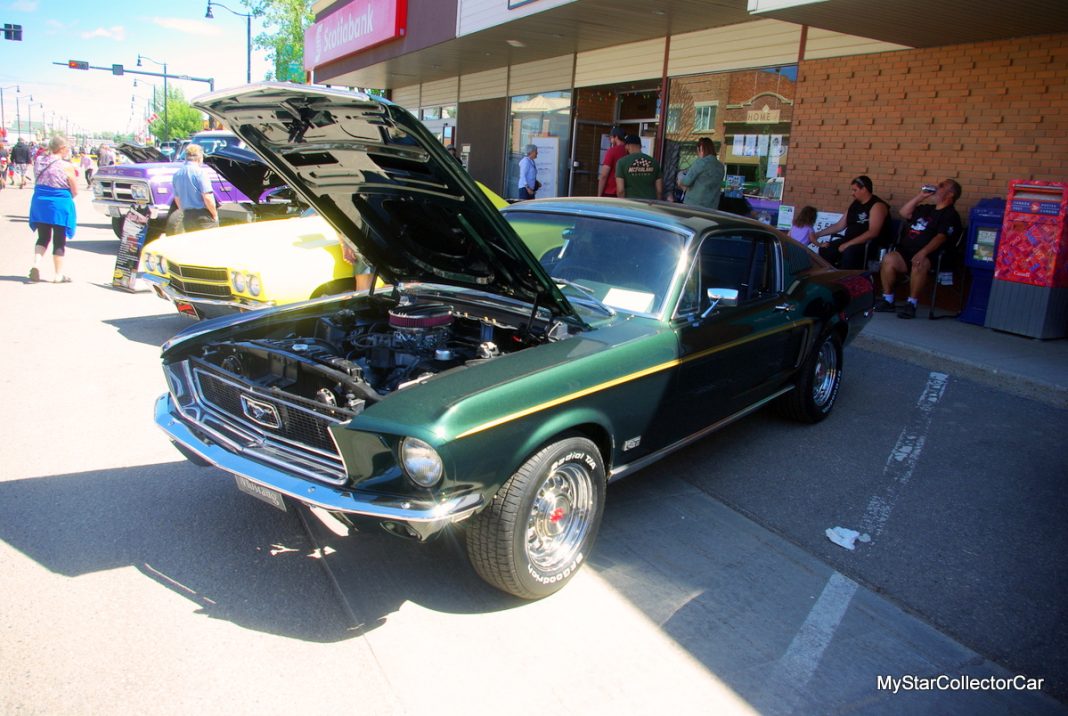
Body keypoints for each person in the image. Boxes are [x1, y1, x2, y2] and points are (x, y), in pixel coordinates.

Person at [874, 179, 963, 319]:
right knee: (889, 259)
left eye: (941, 186)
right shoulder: (927, 209)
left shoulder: (950, 215)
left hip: (930, 255)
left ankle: (911, 304)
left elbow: (941, 237)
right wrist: (920, 196)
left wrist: (923, 253)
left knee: (919, 262)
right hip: (907, 251)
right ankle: (888, 299)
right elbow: (904, 213)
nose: (936, 187)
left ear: (950, 194)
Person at [27, 135, 78, 283]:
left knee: (43, 237)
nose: (68, 150)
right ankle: (58, 275)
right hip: (59, 205)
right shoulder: (66, 166)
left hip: (40, 202)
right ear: (61, 148)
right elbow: (74, 190)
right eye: (67, 148)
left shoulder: (39, 161)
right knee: (59, 239)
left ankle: (36, 265)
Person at [813, 175, 891, 270]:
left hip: (868, 244)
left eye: (855, 190)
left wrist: (847, 244)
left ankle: (846, 280)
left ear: (864, 189)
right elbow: (839, 225)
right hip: (849, 240)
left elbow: (872, 232)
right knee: (826, 248)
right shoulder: (855, 204)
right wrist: (818, 234)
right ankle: (829, 276)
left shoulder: (877, 205)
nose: (852, 193)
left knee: (849, 252)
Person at [172, 143, 219, 232]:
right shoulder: (200, 173)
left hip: (187, 217)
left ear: (186, 157)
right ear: (200, 158)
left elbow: (177, 199)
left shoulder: (176, 175)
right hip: (203, 217)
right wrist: (215, 214)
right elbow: (207, 197)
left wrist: (184, 213)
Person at [678, 137, 725, 211]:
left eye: (698, 150)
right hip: (712, 207)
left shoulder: (701, 162)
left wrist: (680, 179)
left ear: (701, 149)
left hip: (694, 206)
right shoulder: (721, 166)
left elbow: (686, 182)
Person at [615, 135, 662, 201]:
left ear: (628, 146)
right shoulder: (654, 162)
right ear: (640, 146)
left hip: (631, 204)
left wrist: (622, 204)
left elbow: (620, 190)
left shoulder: (621, 162)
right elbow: (659, 190)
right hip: (650, 204)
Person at [596, 127, 627, 198]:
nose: (610, 140)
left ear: (616, 137)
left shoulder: (612, 151)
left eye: (611, 137)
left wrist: (599, 195)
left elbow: (604, 175)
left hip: (610, 192)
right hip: (625, 192)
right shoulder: (629, 151)